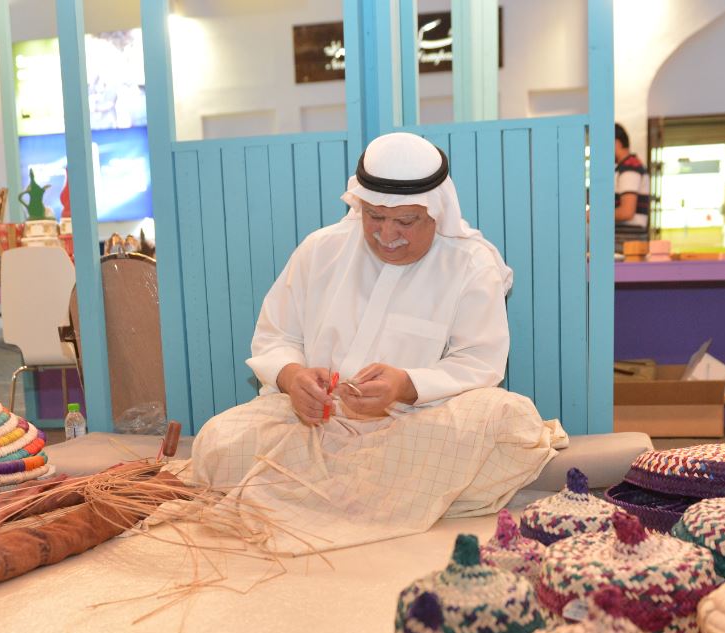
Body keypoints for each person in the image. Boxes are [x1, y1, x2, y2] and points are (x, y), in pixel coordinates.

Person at [190, 131, 565, 554]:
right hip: (314, 425)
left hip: (409, 425)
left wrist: (405, 385)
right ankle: (370, 496)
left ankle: (315, 494)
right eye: (374, 217)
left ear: (436, 212)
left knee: (509, 418)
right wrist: (293, 379)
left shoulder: (470, 265)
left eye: (405, 221)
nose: (387, 234)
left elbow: (479, 361)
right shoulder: (320, 250)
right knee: (216, 440)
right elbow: (276, 335)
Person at [614, 124, 650, 246]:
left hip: (627, 242)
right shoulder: (627, 167)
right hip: (626, 241)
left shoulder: (629, 168)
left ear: (616, 143)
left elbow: (627, 212)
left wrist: (597, 215)